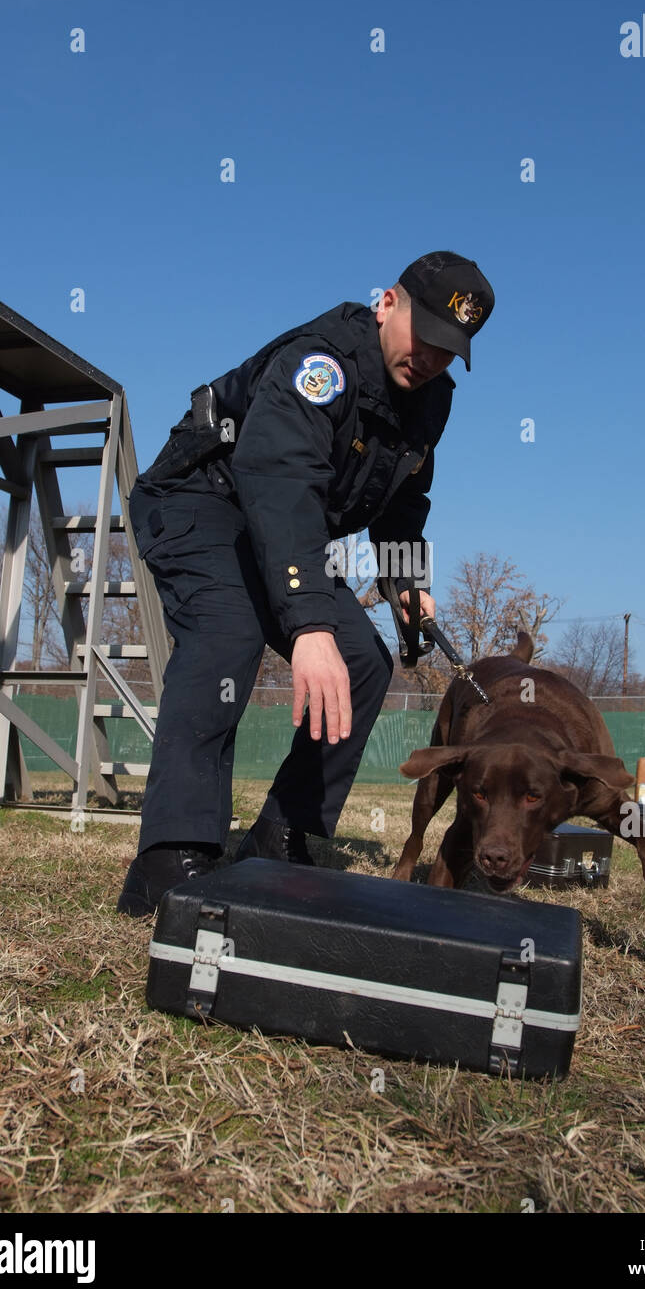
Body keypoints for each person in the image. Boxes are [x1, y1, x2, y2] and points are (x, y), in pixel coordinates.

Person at [117, 251, 495, 916]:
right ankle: (171, 859)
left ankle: (279, 837)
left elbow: (405, 500)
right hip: (202, 500)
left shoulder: (430, 400)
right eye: (426, 336)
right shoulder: (320, 364)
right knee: (226, 635)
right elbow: (278, 480)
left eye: (450, 349)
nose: (432, 357)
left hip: (279, 525)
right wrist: (309, 623)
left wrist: (405, 580)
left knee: (364, 663)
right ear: (387, 303)